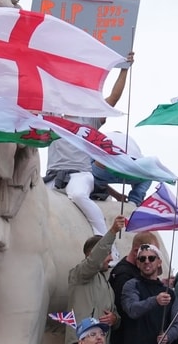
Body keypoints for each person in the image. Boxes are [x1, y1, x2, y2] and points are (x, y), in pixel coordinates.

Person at [44, 57, 131, 234]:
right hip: (53, 176)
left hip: (80, 174)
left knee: (77, 195)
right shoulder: (50, 117)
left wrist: (124, 69)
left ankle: (105, 242)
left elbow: (112, 99)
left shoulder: (88, 118)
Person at [115, 244, 175, 344]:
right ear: (138, 263)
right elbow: (132, 309)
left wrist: (169, 337)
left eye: (151, 258)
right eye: (142, 258)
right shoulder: (131, 285)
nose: (147, 261)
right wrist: (154, 301)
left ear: (159, 262)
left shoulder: (170, 292)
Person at [64, 215, 125, 344]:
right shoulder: (79, 274)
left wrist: (114, 319)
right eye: (108, 253)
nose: (111, 258)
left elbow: (116, 316)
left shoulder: (107, 284)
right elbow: (94, 261)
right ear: (93, 254)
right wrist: (112, 232)